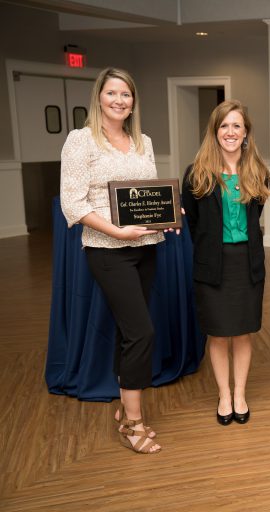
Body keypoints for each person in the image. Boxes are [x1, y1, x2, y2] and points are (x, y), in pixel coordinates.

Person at [60, 68, 167, 453]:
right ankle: (133, 424)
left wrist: (168, 216)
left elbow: (148, 195)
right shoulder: (80, 141)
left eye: (126, 95)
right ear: (99, 97)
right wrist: (115, 231)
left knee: (128, 330)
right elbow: (73, 203)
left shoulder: (143, 142)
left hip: (146, 247)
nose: (120, 101)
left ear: (133, 101)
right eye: (112, 93)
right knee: (142, 332)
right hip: (107, 250)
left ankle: (125, 409)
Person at [182, 100, 270, 426]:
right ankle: (224, 394)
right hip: (211, 265)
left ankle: (241, 394)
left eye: (237, 125)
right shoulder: (197, 173)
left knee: (243, 333)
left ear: (246, 131)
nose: (230, 132)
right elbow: (193, 221)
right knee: (218, 335)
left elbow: (256, 214)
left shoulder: (258, 171)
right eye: (224, 126)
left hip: (247, 263)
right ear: (214, 131)